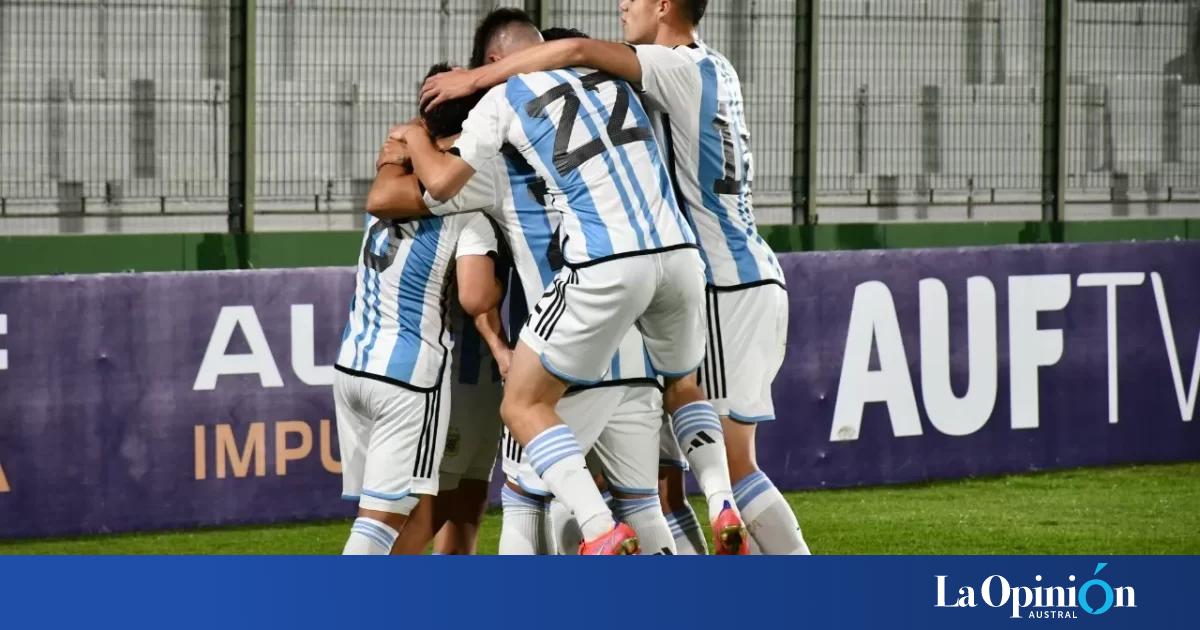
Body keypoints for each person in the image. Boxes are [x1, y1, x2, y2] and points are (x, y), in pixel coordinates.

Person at [419, 0, 810, 554]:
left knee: (530, 462)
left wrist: (436, 118)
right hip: (694, 267)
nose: (622, 6)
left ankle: (605, 529)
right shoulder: (667, 77)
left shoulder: (656, 69)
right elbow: (582, 56)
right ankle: (715, 502)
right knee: (662, 473)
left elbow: (430, 192)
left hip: (674, 281)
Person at [370, 16, 679, 555]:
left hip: (566, 352)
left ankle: (584, 543)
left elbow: (391, 200)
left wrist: (410, 144)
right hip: (635, 351)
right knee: (642, 503)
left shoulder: (494, 156)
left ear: (491, 67)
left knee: (523, 497)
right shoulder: (604, 120)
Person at [333, 64, 500, 555]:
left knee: (391, 509)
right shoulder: (464, 199)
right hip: (408, 377)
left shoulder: (393, 175)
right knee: (382, 523)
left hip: (353, 364)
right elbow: (474, 296)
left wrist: (406, 138)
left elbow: (388, 185)